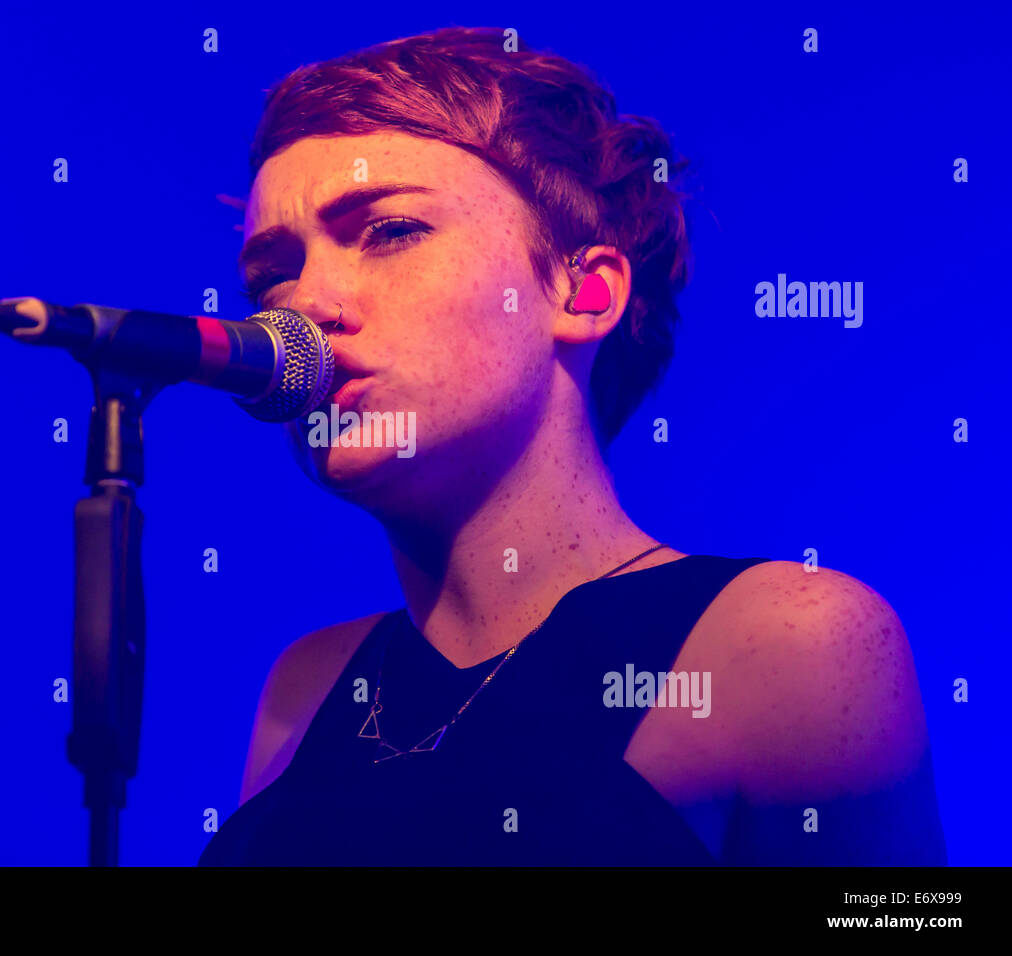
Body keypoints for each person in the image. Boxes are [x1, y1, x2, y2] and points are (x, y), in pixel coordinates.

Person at [198, 26, 945, 865]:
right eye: (272, 274)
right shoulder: (307, 689)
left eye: (392, 230)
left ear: (584, 291)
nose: (303, 305)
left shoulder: (790, 641)